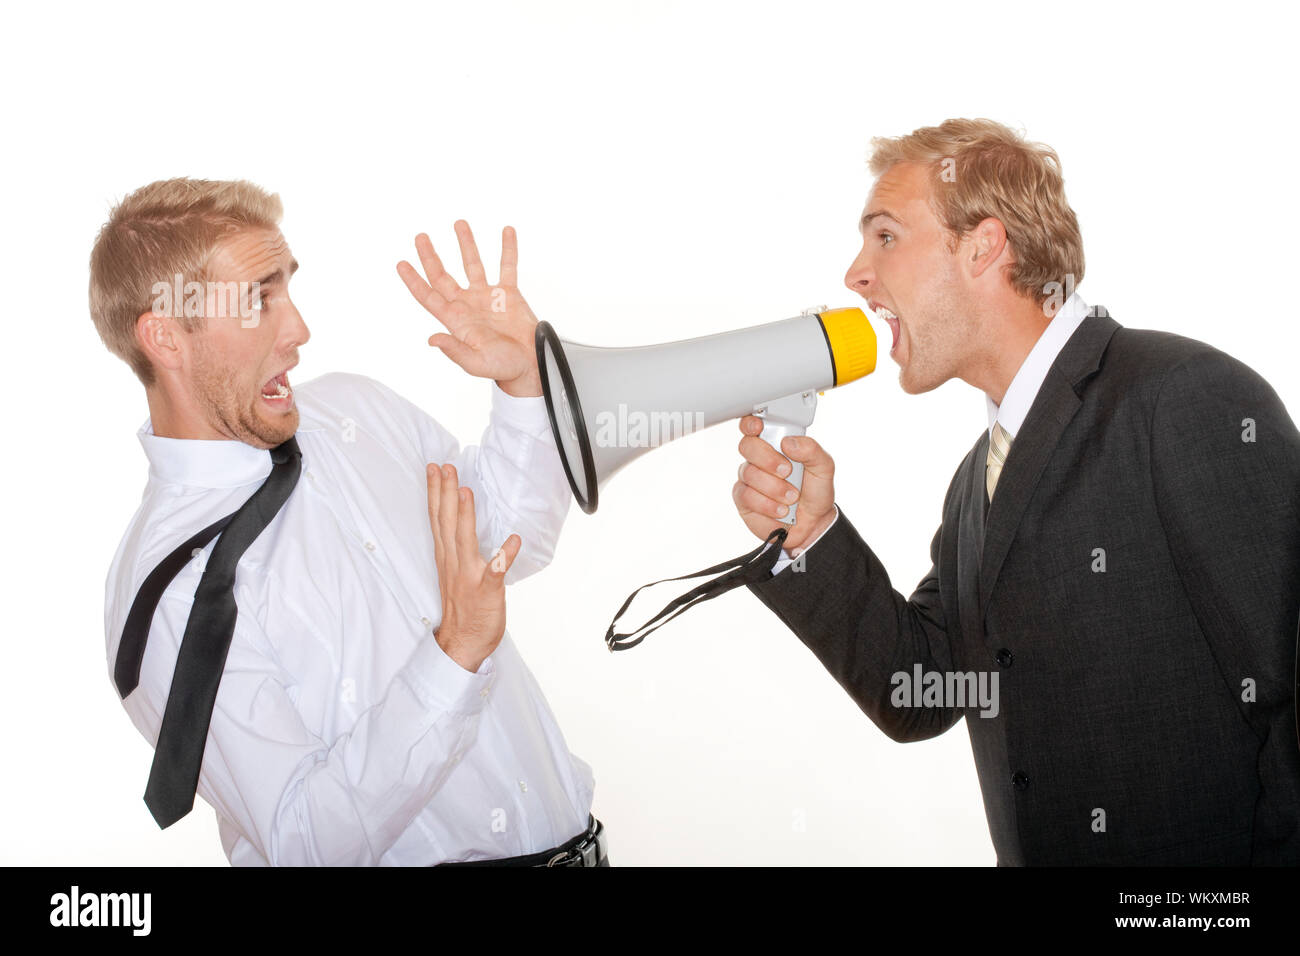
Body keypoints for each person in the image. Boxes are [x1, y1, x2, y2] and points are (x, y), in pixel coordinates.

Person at [732, 119, 1300, 865]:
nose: (856, 274)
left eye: (886, 237)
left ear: (983, 246)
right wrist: (810, 537)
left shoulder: (1182, 397)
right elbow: (918, 688)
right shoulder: (976, 483)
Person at [92, 178, 607, 866]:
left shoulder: (355, 413)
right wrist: (453, 657)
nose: (299, 330)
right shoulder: (174, 594)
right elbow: (306, 841)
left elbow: (507, 540)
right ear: (166, 338)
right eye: (258, 300)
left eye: (288, 289)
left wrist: (522, 385)